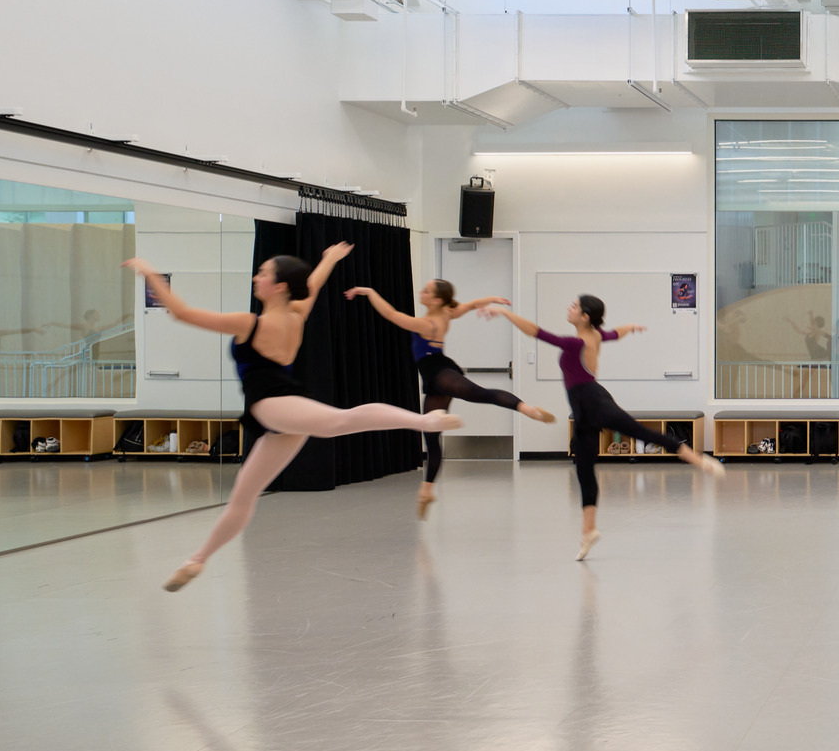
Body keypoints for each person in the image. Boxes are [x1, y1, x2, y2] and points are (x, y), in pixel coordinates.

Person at [126, 246, 464, 592]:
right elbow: (313, 284)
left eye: (263, 273)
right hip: (283, 416)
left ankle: (425, 422)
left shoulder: (249, 323)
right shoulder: (296, 314)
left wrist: (150, 274)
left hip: (274, 404)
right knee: (245, 496)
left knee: (339, 421)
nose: (257, 278)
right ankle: (196, 560)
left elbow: (181, 313)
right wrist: (329, 260)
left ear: (280, 286)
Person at [483, 296, 724, 561]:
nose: (568, 307)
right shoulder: (595, 335)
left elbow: (535, 332)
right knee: (583, 467)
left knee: (638, 431)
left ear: (585, 316)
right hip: (585, 406)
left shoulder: (575, 343)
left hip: (593, 401)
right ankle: (588, 531)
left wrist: (505, 314)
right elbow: (613, 334)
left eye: (574, 306)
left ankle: (694, 458)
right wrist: (629, 327)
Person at [345, 279, 556, 518]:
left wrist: (370, 291)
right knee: (432, 434)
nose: (421, 292)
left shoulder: (427, 323)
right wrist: (491, 299)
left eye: (426, 290)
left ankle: (529, 410)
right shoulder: (447, 312)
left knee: (478, 395)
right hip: (439, 375)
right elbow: (472, 304)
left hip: (439, 374)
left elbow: (391, 314)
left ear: (436, 299)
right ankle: (426, 491)